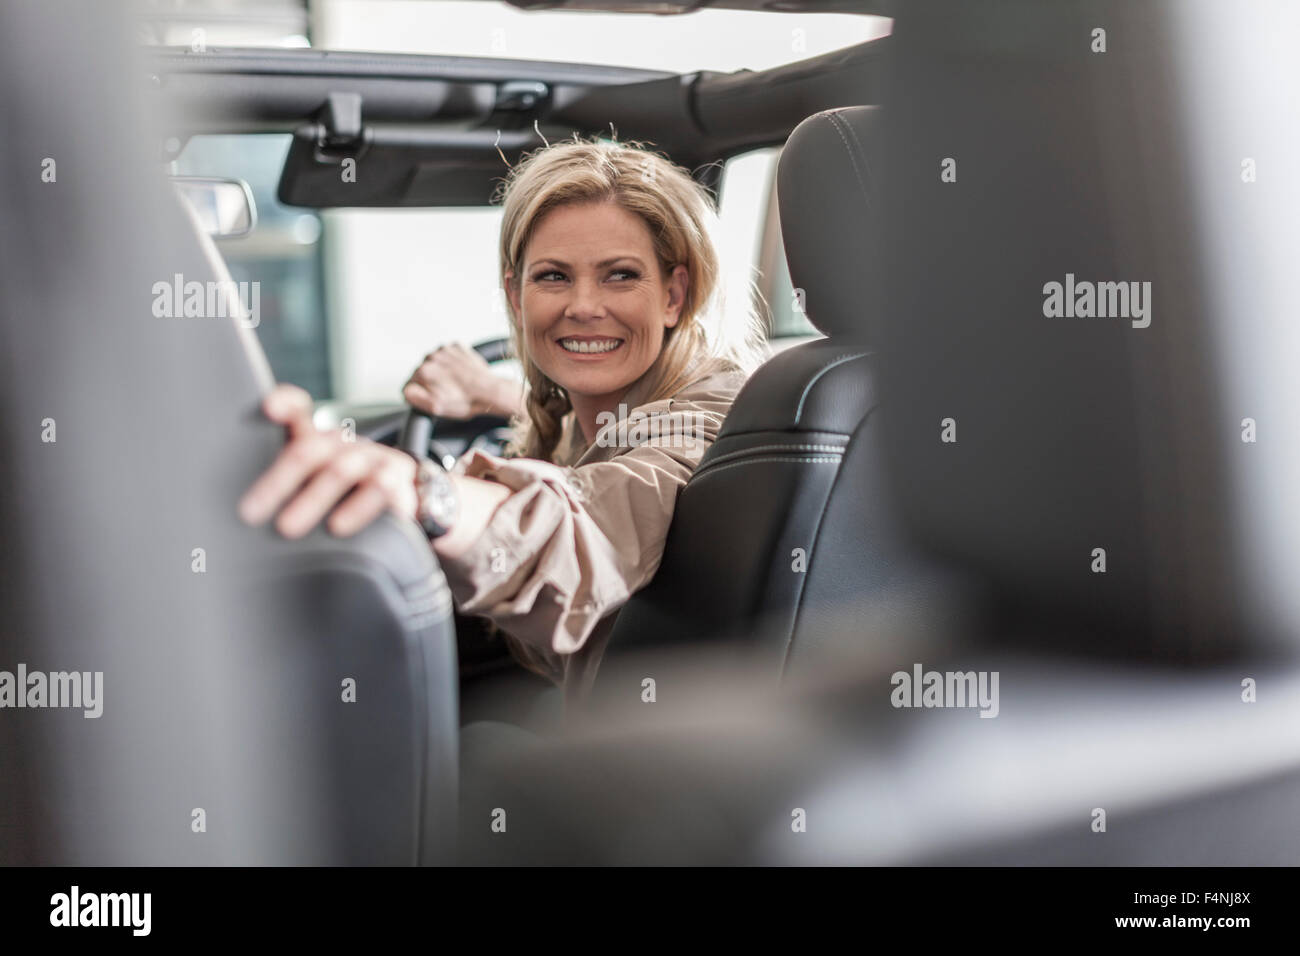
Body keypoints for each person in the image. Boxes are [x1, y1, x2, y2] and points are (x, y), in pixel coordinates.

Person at [237, 136, 765, 708]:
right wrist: (492, 395)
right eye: (553, 277)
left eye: (619, 276)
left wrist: (427, 493)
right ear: (516, 296)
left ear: (673, 294)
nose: (583, 305)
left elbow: (584, 525)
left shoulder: (713, 419)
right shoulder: (602, 417)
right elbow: (592, 449)